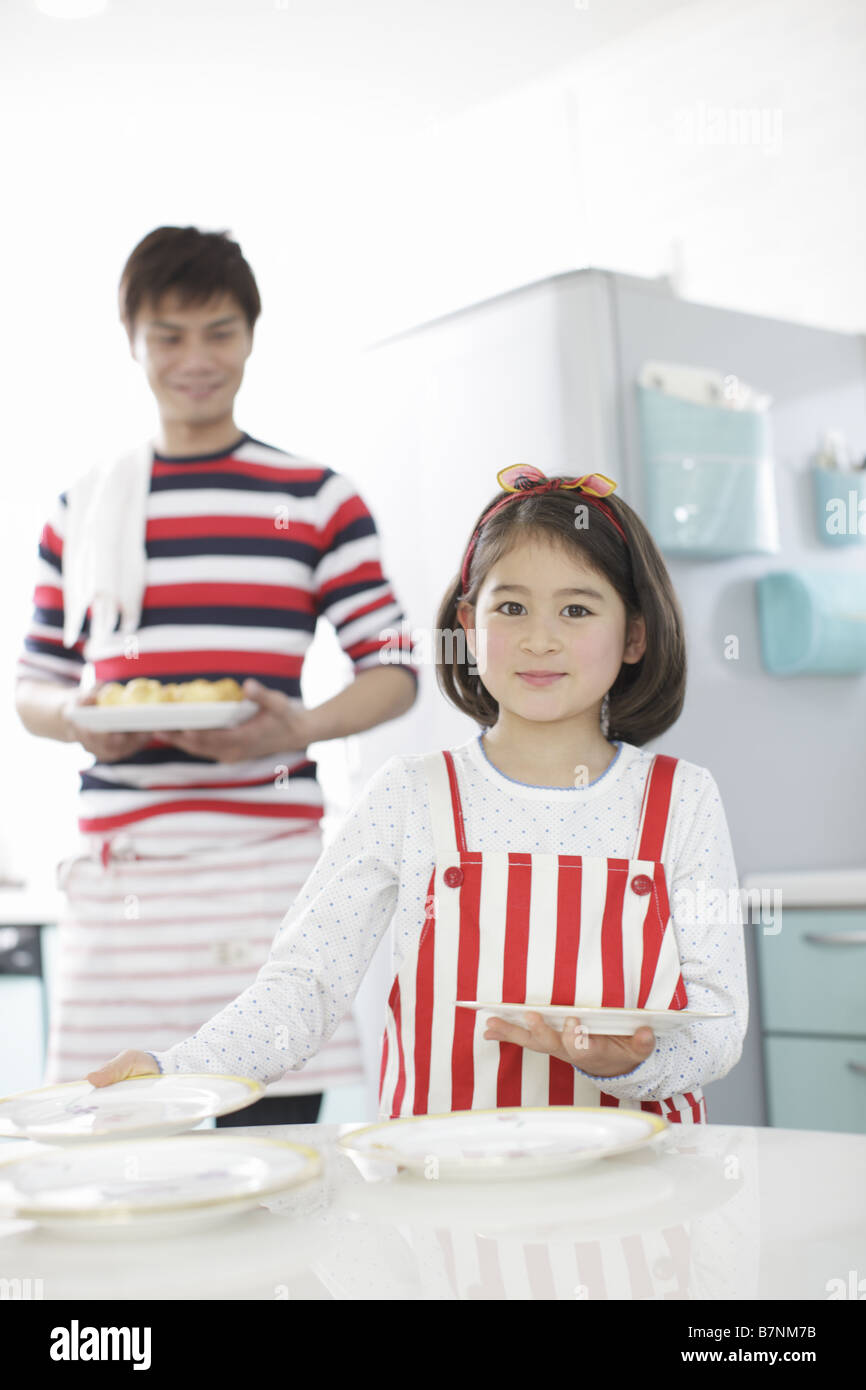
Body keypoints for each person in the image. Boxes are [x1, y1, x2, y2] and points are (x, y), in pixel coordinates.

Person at [86, 465, 748, 1123]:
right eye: (510, 607)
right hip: (449, 1203)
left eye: (576, 609)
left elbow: (717, 1027)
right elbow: (303, 992)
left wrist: (631, 1063)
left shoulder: (681, 800)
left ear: (635, 634)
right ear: (466, 622)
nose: (540, 638)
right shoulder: (410, 795)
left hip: (641, 1201)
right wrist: (174, 1070)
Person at [14, 225, 417, 1126]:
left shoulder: (315, 498)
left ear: (251, 335)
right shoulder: (83, 507)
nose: (196, 359)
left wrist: (298, 730)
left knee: (269, 1147)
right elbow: (32, 688)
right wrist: (78, 714)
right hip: (126, 883)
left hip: (263, 877)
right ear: (134, 342)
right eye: (169, 335)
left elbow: (394, 668)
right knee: (111, 1154)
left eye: (220, 332)